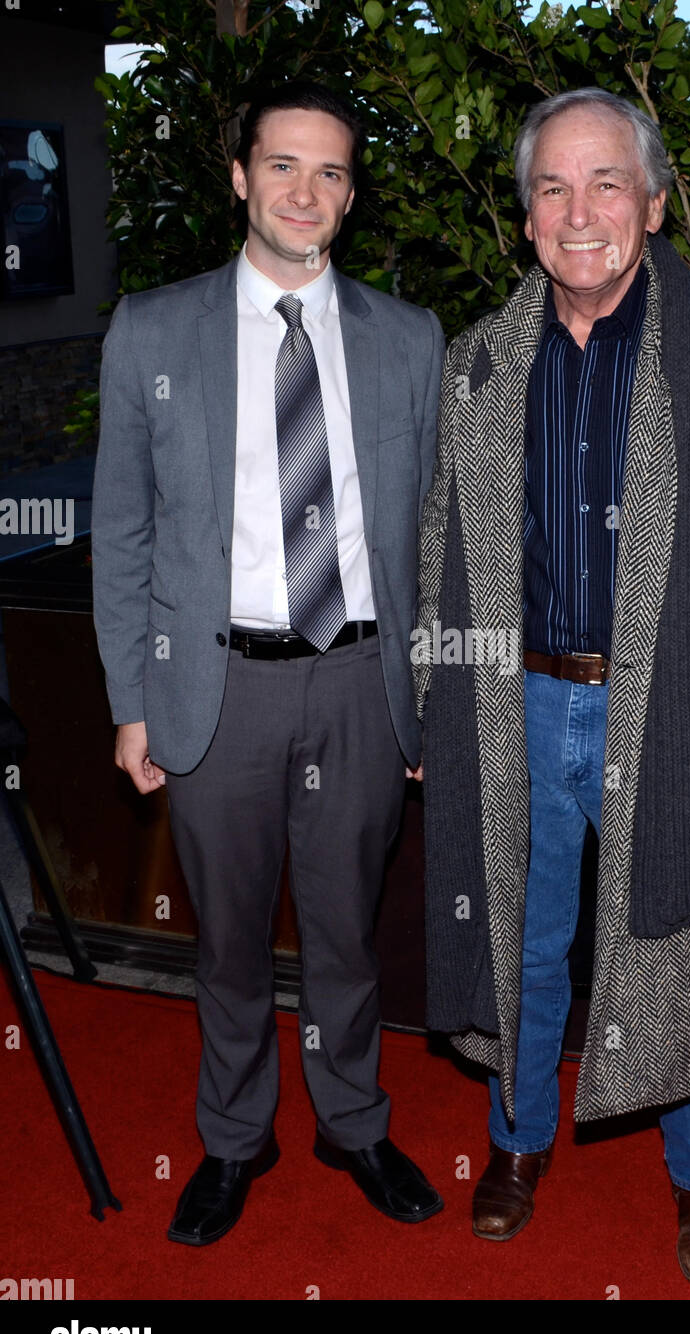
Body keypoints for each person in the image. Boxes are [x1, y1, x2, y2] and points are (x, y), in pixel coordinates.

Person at [416, 87, 690, 1283]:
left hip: (666, 703)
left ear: (650, 201)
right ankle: (517, 1141)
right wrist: (441, 696)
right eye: (552, 186)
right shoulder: (477, 360)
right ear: (527, 213)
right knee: (522, 945)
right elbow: (443, 537)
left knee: (680, 941)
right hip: (518, 703)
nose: (577, 212)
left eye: (604, 184)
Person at [92, 81, 444, 1246]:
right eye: (284, 166)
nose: (307, 192)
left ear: (350, 192)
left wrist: (427, 699)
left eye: (332, 171)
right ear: (241, 177)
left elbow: (433, 539)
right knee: (231, 941)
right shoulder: (153, 327)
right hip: (215, 688)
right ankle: (235, 1139)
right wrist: (130, 699)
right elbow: (125, 530)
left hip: (359, 681)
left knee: (348, 933)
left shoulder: (407, 338)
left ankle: (354, 1122)